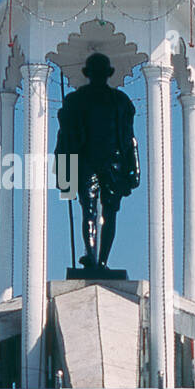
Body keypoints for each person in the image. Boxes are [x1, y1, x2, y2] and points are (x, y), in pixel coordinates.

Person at [54, 52, 139, 271]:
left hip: (113, 163)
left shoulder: (120, 102)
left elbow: (130, 138)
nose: (99, 76)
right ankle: (91, 258)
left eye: (101, 73)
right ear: (90, 75)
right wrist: (64, 173)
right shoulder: (75, 101)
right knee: (89, 210)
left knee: (108, 212)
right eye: (96, 73)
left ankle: (101, 261)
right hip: (87, 163)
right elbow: (65, 137)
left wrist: (135, 168)